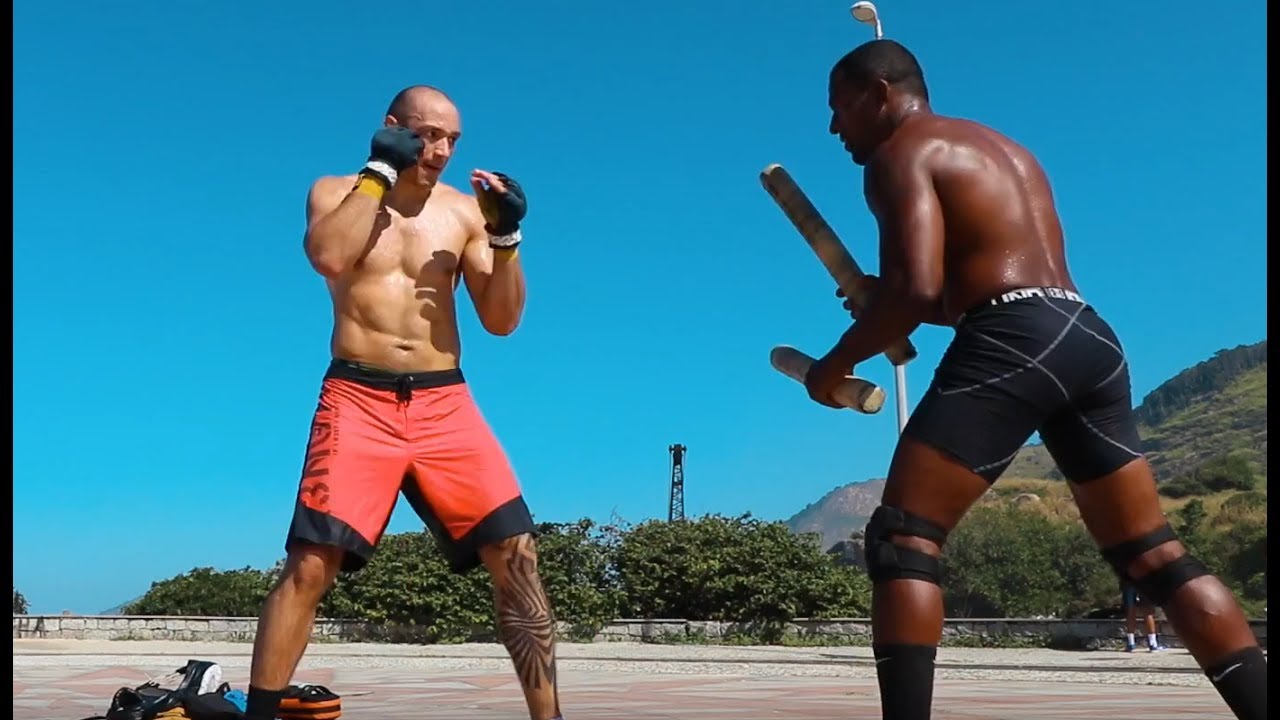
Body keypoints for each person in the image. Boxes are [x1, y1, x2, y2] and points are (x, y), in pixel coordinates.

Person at [802, 39, 1266, 720]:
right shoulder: (1003, 149)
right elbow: (958, 291)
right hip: (1084, 333)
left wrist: (835, 364)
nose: (835, 128)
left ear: (879, 93)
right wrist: (885, 297)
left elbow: (919, 290)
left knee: (903, 540)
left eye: (839, 109)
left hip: (1014, 337)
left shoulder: (903, 153)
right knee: (1153, 555)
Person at [244, 85, 565, 720]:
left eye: (452, 139)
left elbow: (502, 321)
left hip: (445, 402)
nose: (441, 150)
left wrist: (507, 238)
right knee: (312, 563)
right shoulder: (336, 191)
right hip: (358, 397)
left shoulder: (462, 213)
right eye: (426, 135)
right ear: (393, 128)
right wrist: (378, 172)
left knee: (517, 554)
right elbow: (328, 255)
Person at [1122, 579, 1166, 652]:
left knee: (1131, 612)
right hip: (1143, 583)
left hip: (1129, 583)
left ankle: (1131, 643)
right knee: (1147, 612)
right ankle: (1153, 644)